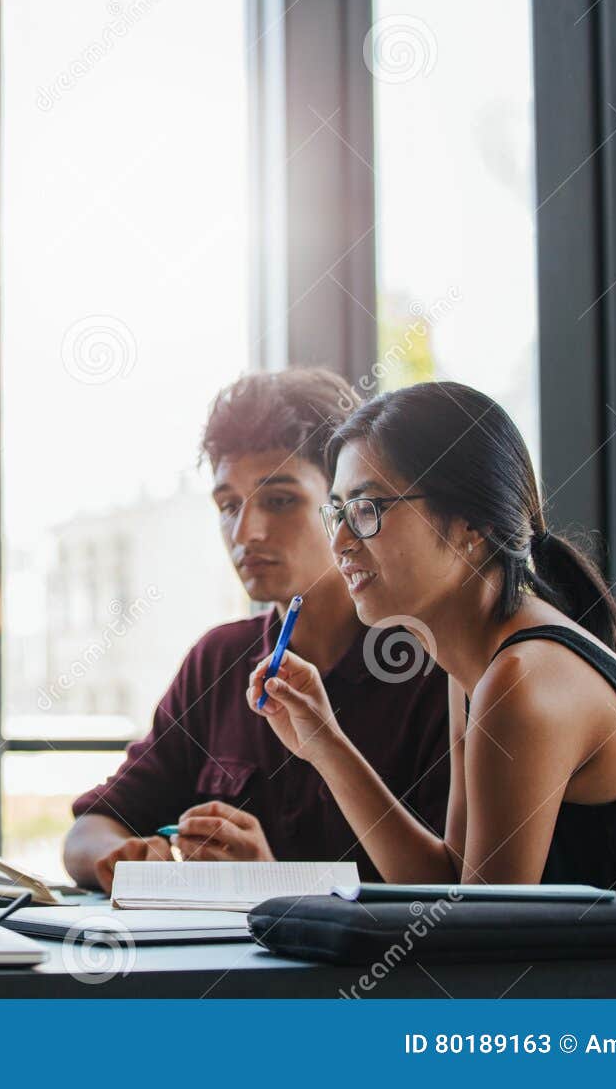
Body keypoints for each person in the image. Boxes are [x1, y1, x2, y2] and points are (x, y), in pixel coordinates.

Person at [248, 380, 616, 992]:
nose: (340, 542)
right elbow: (452, 892)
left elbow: (481, 962)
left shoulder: (524, 681)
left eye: (368, 508)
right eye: (337, 511)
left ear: (471, 526)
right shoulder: (481, 669)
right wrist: (325, 742)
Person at [64, 369, 450, 891]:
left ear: (347, 502)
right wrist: (125, 859)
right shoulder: (219, 661)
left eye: (280, 500)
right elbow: (88, 831)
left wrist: (271, 883)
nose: (246, 532)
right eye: (229, 506)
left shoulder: (433, 668)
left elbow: (450, 895)